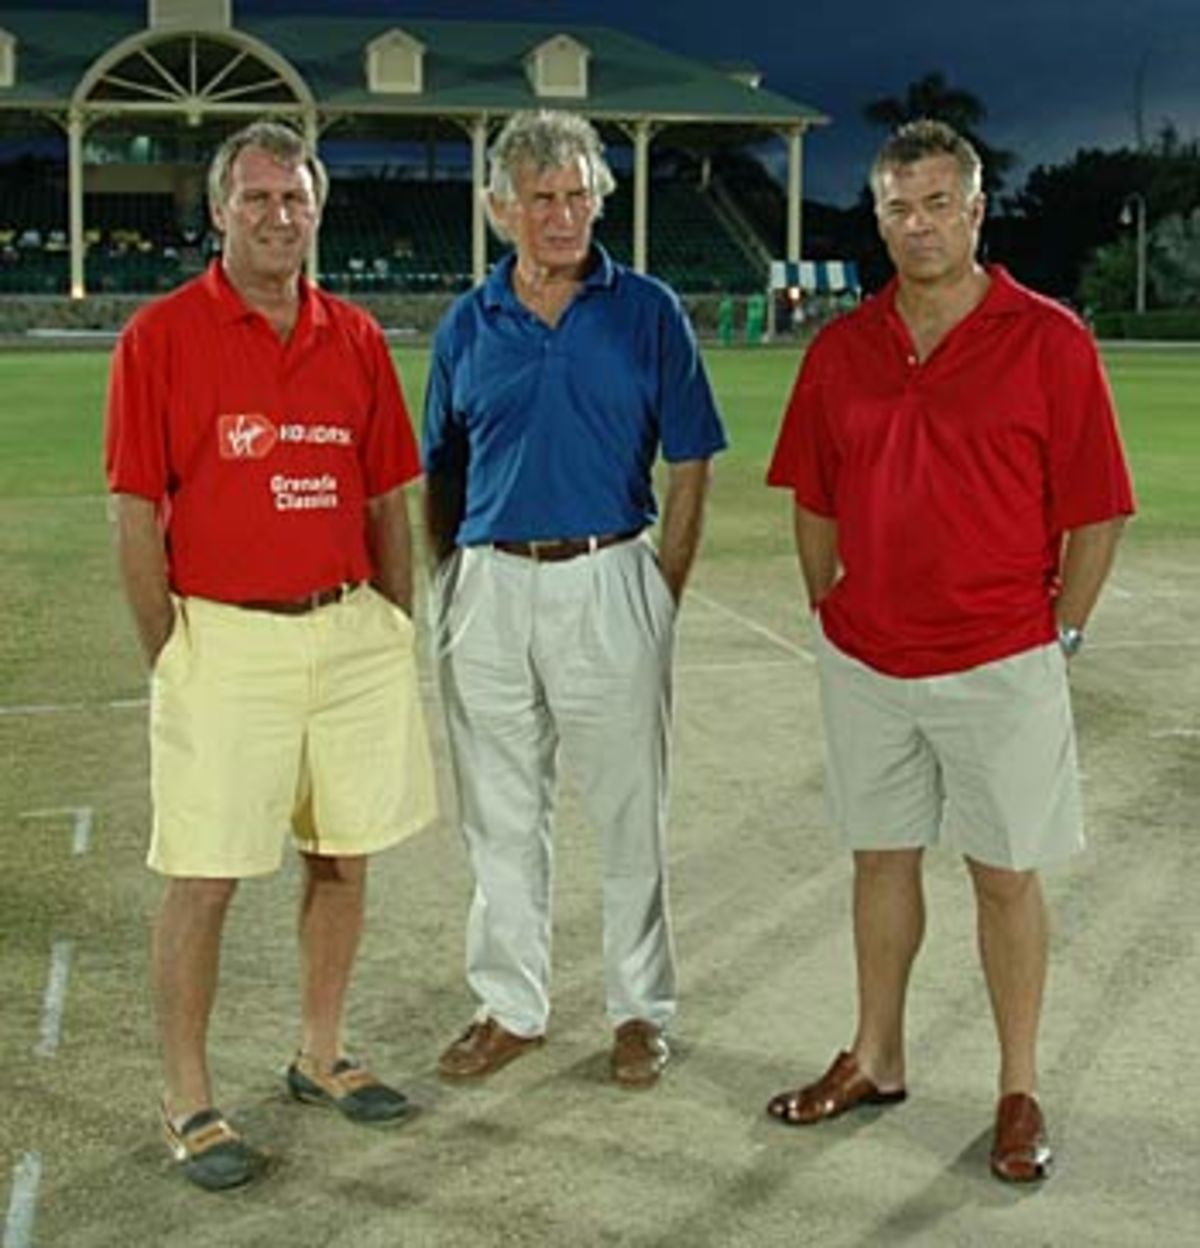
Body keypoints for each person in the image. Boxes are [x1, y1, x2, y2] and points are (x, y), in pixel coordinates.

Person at [764, 120, 1134, 1182]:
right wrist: (829, 610)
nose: (917, 224)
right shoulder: (843, 347)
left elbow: (1096, 512)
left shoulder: (1050, 338)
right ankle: (876, 1056)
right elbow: (814, 499)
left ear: (976, 210)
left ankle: (1018, 1090)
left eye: (937, 204)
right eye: (898, 207)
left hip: (1002, 656)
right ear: (877, 218)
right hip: (870, 658)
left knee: (1006, 875)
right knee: (879, 859)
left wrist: (1060, 631)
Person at [105, 121, 437, 1191]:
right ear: (217, 211)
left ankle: (319, 1051)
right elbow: (132, 512)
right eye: (254, 198)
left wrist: (391, 620)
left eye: (292, 198)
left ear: (317, 208)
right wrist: (173, 651)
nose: (276, 215)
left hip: (346, 633)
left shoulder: (357, 337)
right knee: (204, 878)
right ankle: (189, 1097)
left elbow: (389, 492)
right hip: (225, 637)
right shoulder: (160, 337)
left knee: (342, 855)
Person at [422, 110, 726, 1089]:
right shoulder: (467, 324)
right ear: (501, 208)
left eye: (577, 196)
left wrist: (659, 594)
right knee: (501, 818)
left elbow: (692, 462)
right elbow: (441, 472)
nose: (562, 216)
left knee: (631, 811)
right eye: (540, 198)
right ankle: (512, 1007)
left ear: (600, 198)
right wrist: (452, 584)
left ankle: (640, 1010)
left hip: (610, 575)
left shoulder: (647, 310)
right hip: (491, 584)